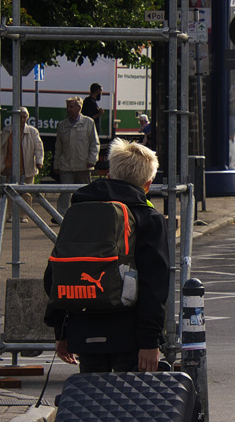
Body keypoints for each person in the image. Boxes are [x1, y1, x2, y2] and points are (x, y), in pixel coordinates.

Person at [43, 138, 170, 373]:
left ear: (109, 175)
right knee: (128, 405)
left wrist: (62, 331)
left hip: (84, 331)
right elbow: (155, 286)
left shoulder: (79, 211)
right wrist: (149, 341)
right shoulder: (149, 219)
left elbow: (57, 273)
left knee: (92, 404)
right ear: (148, 184)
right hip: (129, 336)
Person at [54, 96, 100, 216]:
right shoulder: (62, 125)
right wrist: (56, 164)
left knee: (84, 192)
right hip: (66, 165)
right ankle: (60, 216)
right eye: (67, 107)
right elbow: (58, 147)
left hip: (83, 165)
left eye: (71, 106)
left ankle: (85, 214)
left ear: (79, 108)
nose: (68, 109)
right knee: (65, 192)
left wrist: (92, 160)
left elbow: (94, 143)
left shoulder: (88, 122)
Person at [0, 107, 44, 223]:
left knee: (27, 192)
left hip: (27, 166)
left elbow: (39, 147)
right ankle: (10, 214)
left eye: (24, 117)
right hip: (10, 166)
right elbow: (1, 148)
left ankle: (24, 215)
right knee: (10, 191)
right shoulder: (7, 131)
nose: (22, 119)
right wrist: (0, 165)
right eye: (20, 117)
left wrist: (39, 161)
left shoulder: (32, 131)